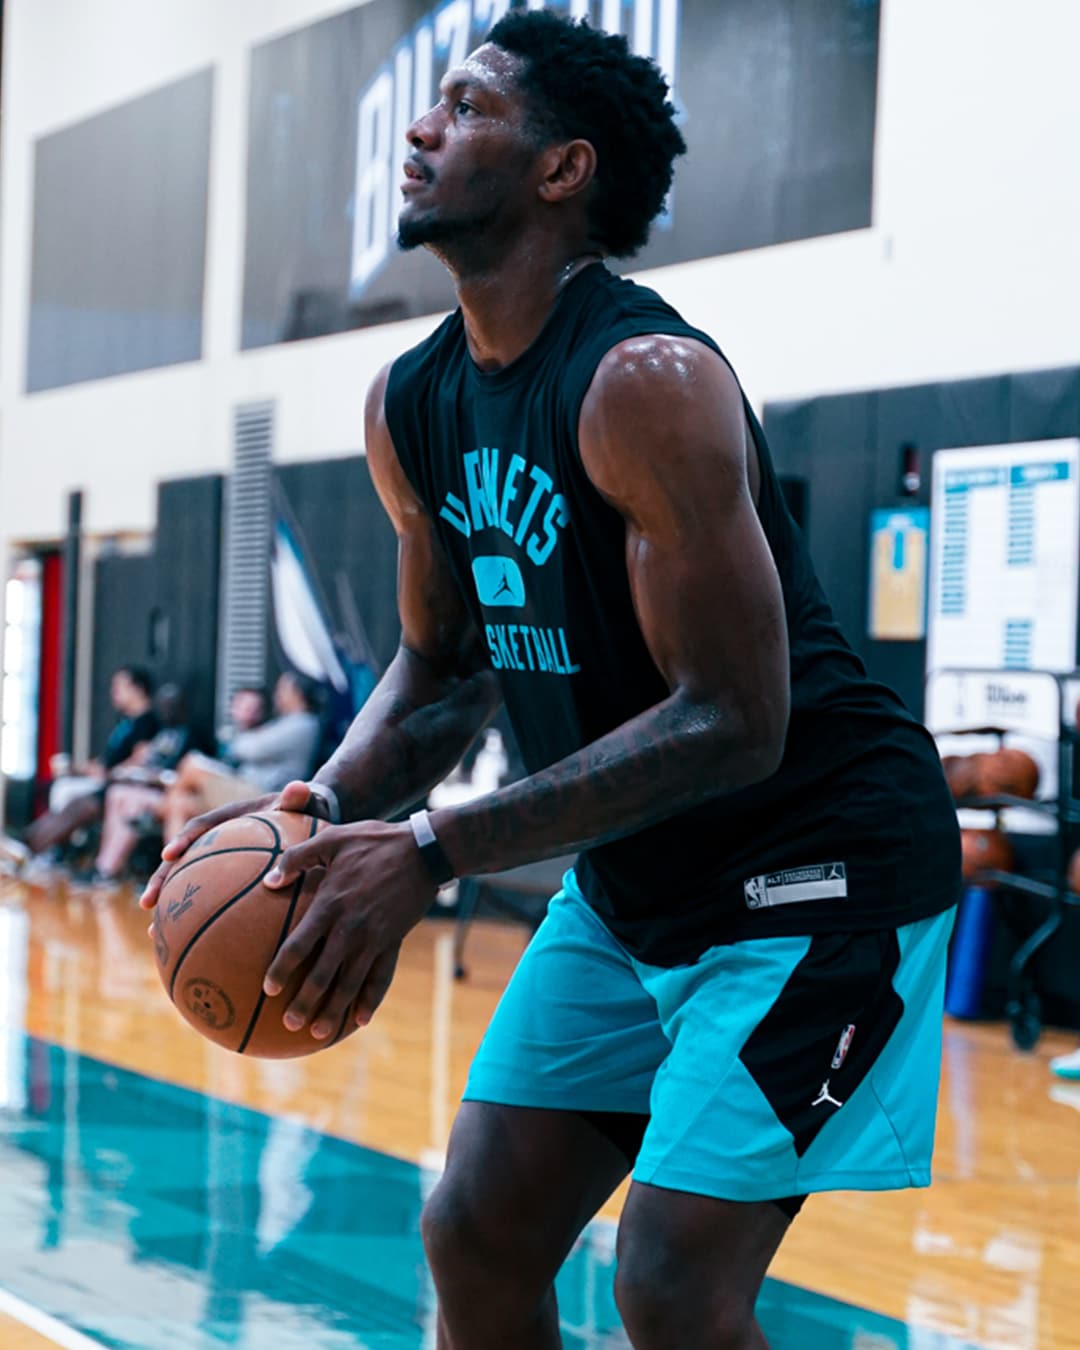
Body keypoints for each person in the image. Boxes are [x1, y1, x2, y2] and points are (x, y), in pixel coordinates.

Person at [143, 14, 961, 1348]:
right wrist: (315, 809)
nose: (420, 129)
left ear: (562, 168)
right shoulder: (412, 401)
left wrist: (430, 850)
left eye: (466, 108)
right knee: (476, 1234)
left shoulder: (645, 381)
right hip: (639, 882)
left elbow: (735, 720)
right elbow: (440, 672)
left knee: (673, 1284)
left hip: (817, 870)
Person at [17, 665, 159, 860]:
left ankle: (35, 849)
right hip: (104, 783)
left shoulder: (148, 722)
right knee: (66, 795)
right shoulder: (125, 722)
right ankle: (27, 843)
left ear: (138, 689)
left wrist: (107, 773)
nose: (114, 692)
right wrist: (83, 769)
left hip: (118, 787)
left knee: (76, 803)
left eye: (119, 686)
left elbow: (139, 761)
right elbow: (108, 760)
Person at [160, 673, 320, 841]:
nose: (277, 695)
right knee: (181, 804)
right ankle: (172, 855)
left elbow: (248, 748)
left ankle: (159, 807)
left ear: (297, 692)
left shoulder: (303, 723)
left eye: (282, 689)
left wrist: (240, 736)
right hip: (248, 789)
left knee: (192, 766)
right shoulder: (285, 722)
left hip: (264, 796)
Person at [88, 684, 197, 883]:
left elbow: (187, 772)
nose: (168, 710)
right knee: (117, 793)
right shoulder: (160, 734)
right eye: (164, 705)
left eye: (172, 705)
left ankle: (109, 870)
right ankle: (103, 865)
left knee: (133, 803)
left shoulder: (193, 735)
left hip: (170, 793)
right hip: (149, 787)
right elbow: (148, 761)